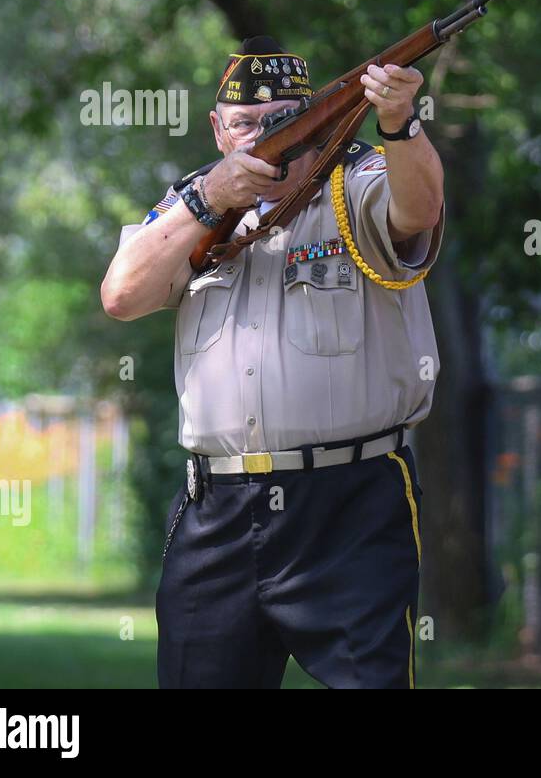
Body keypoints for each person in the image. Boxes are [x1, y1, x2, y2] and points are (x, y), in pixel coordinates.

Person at [101, 36, 444, 688]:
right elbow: (122, 294)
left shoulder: (361, 181)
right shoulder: (193, 208)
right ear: (218, 130)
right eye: (246, 124)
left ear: (312, 115)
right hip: (218, 507)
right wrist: (211, 197)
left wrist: (400, 123)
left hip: (351, 501)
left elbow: (418, 209)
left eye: (282, 119)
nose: (265, 137)